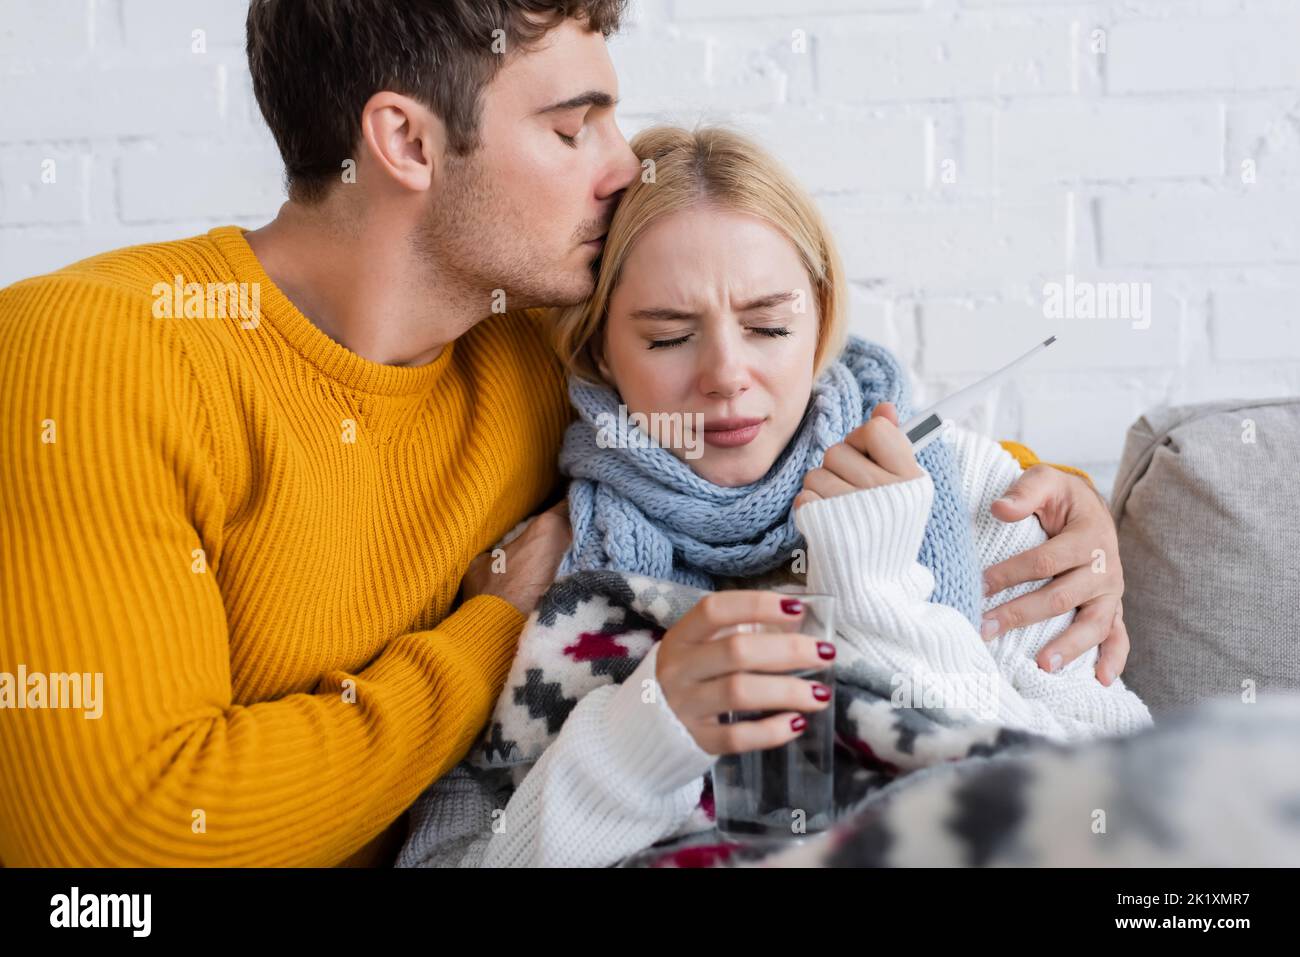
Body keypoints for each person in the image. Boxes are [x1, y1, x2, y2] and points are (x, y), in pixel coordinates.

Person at [0, 1, 1128, 867]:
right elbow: (116, 848)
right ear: (404, 139)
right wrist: (492, 626)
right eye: (572, 124)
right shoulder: (94, 352)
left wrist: (1051, 502)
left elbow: (789, 418)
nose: (621, 165)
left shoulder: (539, 341)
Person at [397, 124, 1151, 869]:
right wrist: (638, 738)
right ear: (600, 350)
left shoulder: (993, 505)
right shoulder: (546, 571)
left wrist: (882, 600)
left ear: (820, 315)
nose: (726, 375)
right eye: (666, 337)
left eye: (767, 325)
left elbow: (1133, 811)